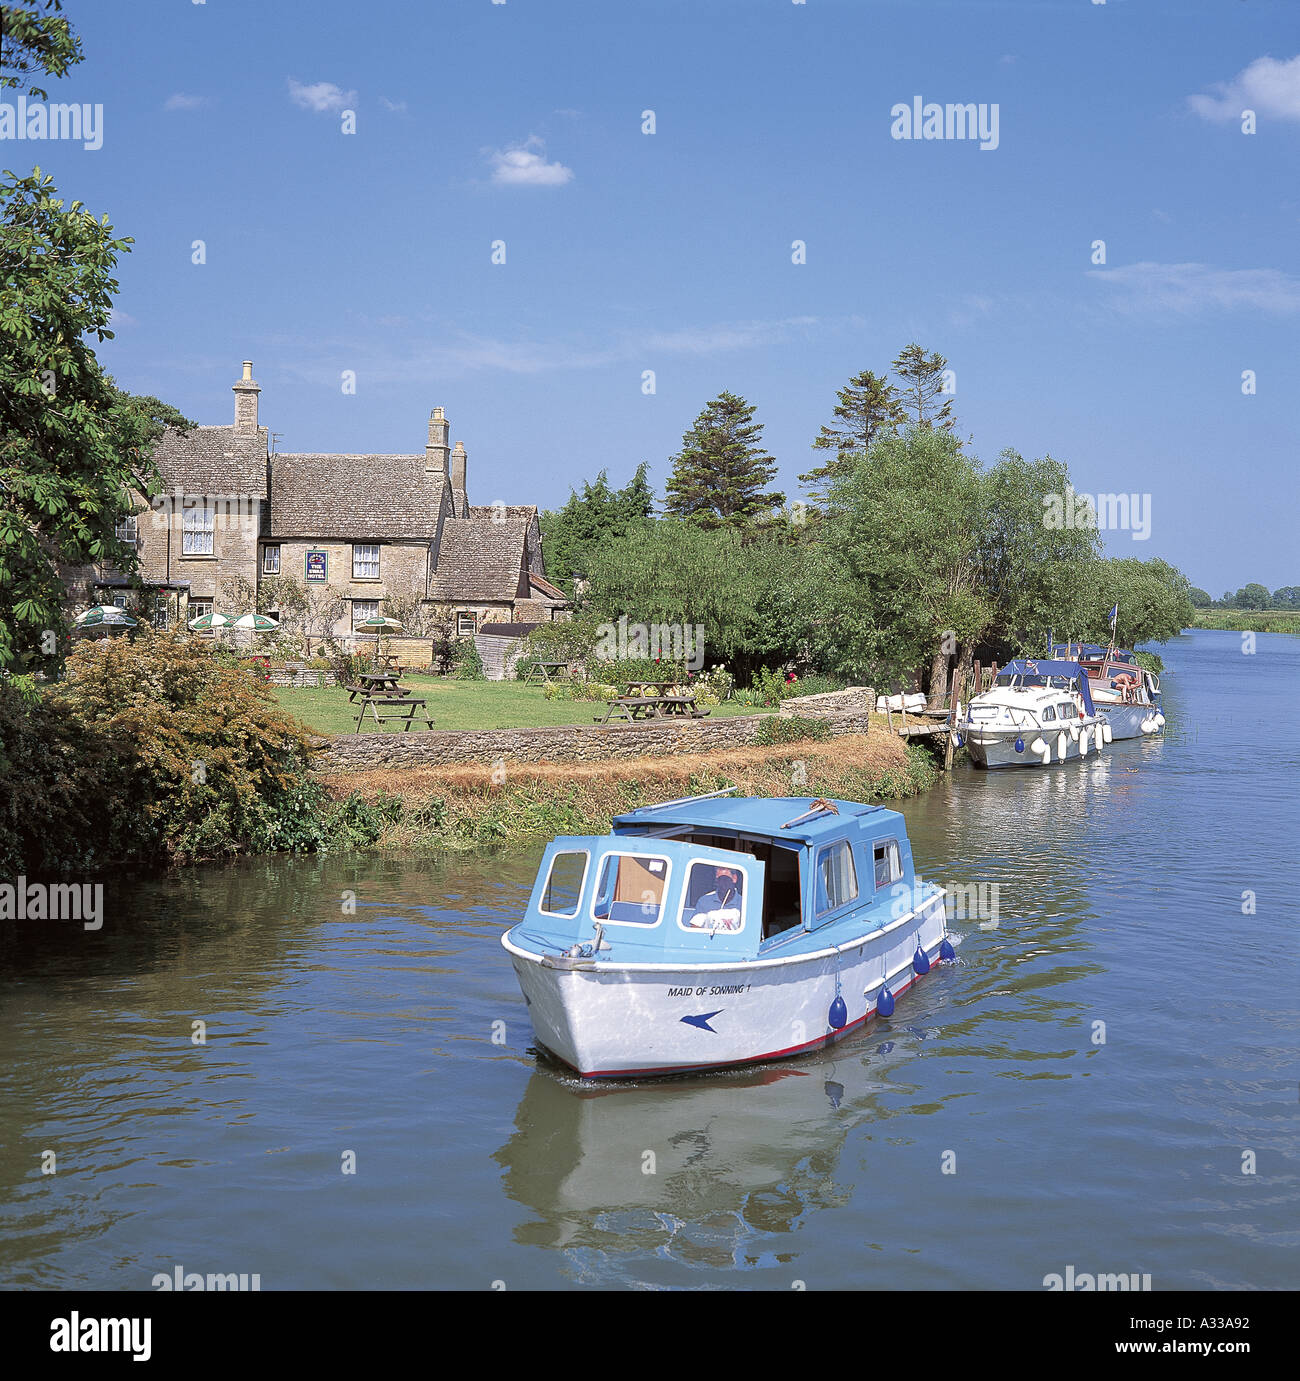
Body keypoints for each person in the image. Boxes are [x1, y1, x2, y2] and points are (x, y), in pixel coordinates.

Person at [686, 865, 743, 931]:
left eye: (725, 879)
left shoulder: (743, 903)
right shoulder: (705, 901)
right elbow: (695, 928)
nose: (722, 883)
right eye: (719, 880)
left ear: (734, 879)